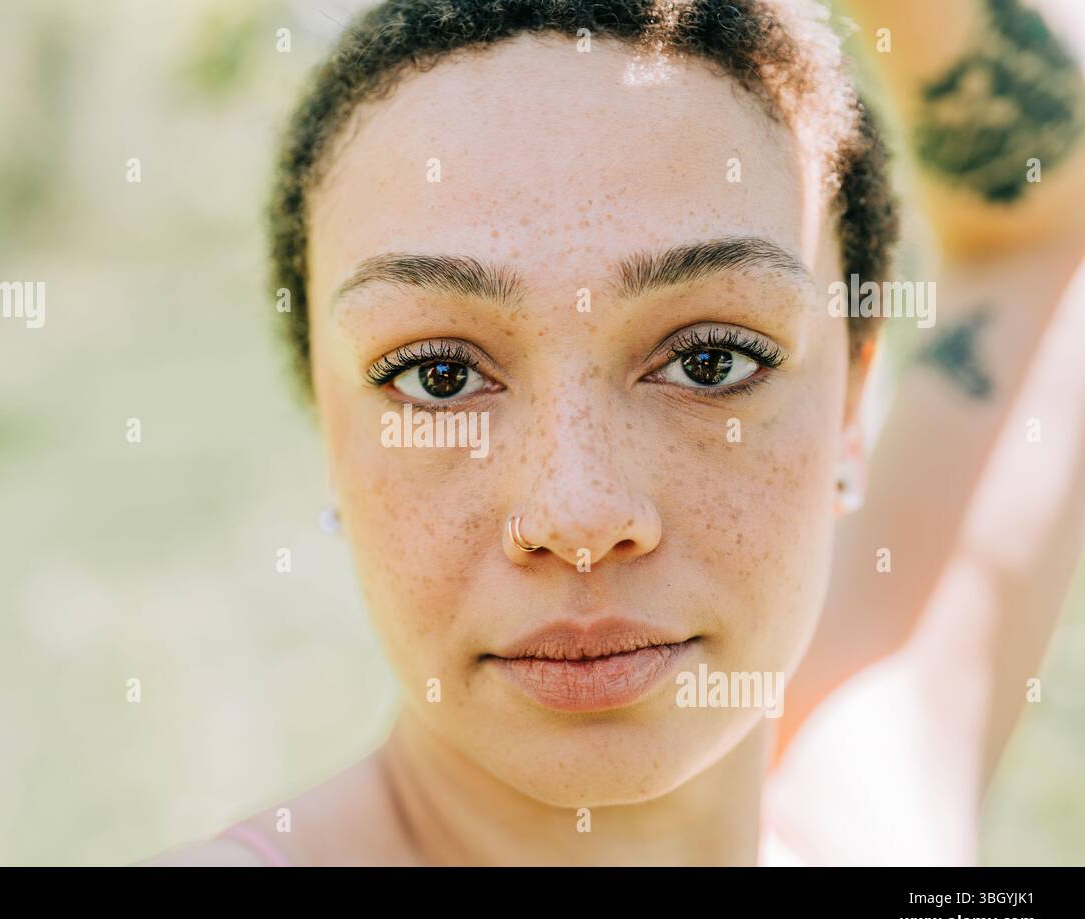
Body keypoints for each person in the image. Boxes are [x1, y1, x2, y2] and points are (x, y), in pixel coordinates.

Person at [152, 0, 1085, 866]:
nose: (581, 515)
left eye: (711, 362)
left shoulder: (875, 804)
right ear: (331, 439)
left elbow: (1052, 209)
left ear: (849, 408)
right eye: (439, 376)